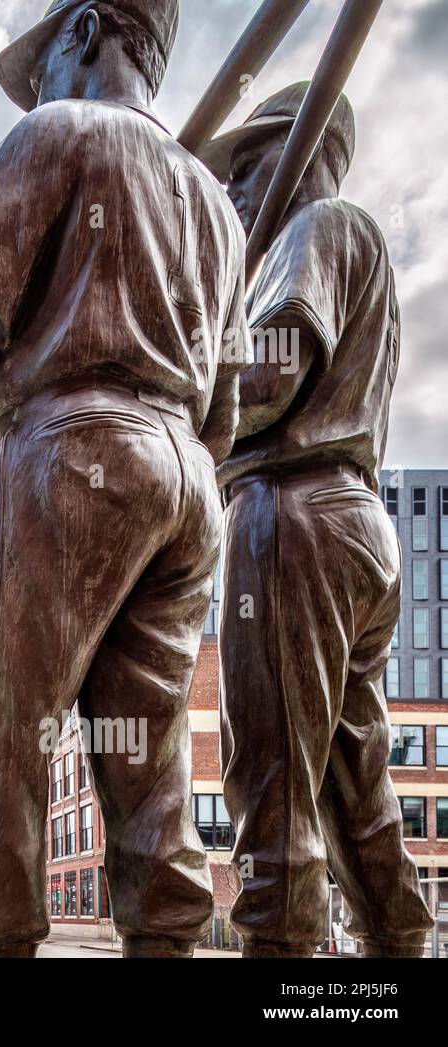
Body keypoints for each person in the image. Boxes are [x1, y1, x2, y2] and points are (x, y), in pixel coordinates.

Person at [0, 0, 248, 957]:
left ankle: (6, 939)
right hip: (187, 479)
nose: (40, 88)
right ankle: (169, 940)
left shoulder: (54, 133)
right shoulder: (217, 207)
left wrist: (0, 413)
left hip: (72, 447)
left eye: (44, 62)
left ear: (87, 28)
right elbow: (223, 417)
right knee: (150, 762)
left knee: (5, 733)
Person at [201, 83, 434, 958]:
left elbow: (270, 373)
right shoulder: (356, 245)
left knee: (275, 788)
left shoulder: (318, 226)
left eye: (246, 172)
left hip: (292, 513)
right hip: (356, 525)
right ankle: (396, 954)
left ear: (294, 159)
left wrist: (172, 403)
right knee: (355, 794)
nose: (233, 196)